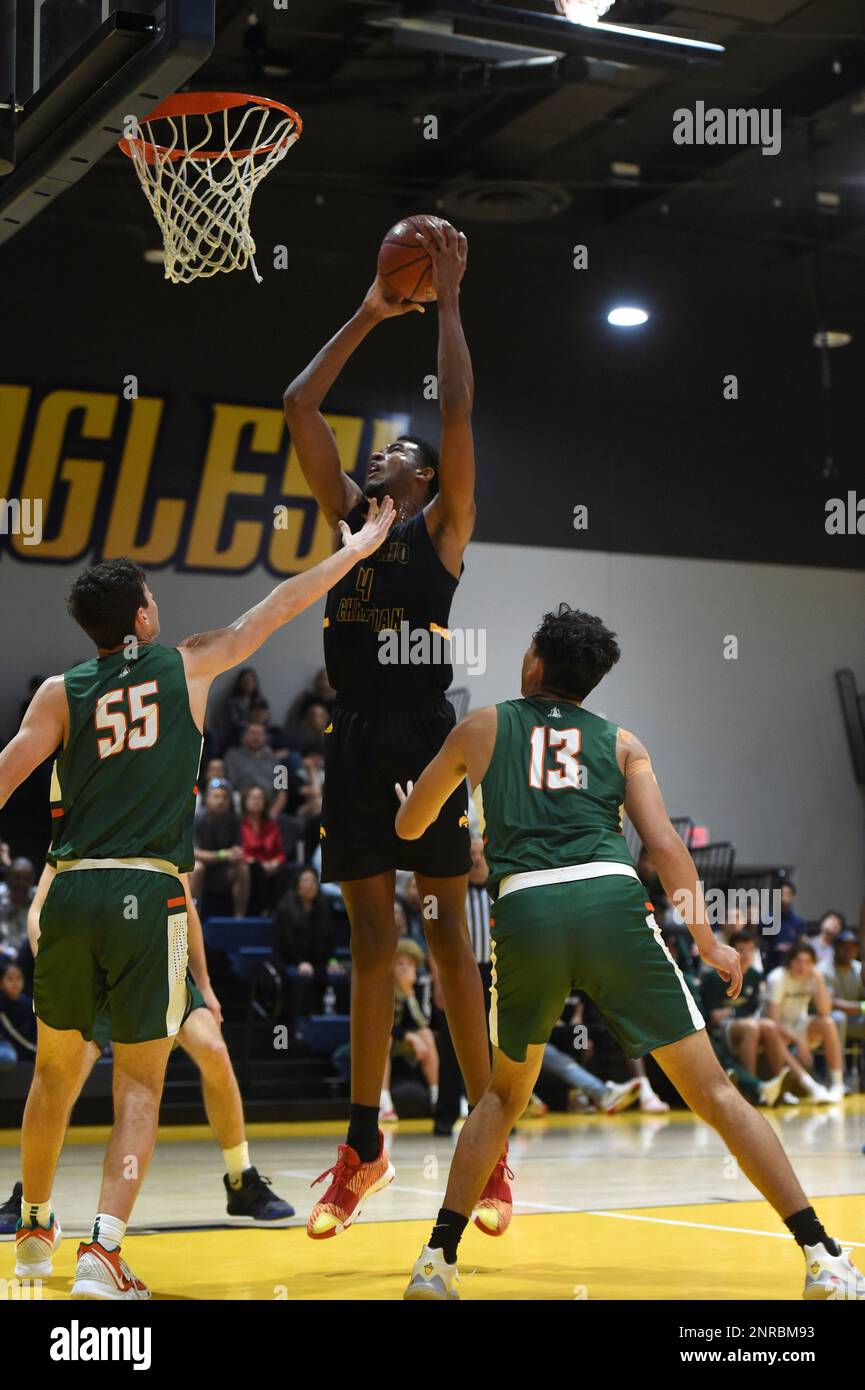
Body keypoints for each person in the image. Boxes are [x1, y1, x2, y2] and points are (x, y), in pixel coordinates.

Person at [394, 604, 863, 1301]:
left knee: (500, 1096)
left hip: (527, 909)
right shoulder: (621, 743)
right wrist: (706, 941)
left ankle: (436, 1263)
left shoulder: (481, 726)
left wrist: (416, 800)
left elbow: (409, 828)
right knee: (715, 1093)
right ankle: (821, 1255)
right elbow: (666, 848)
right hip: (612, 902)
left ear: (534, 662)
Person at [0, 499, 394, 1299]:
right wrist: (356, 551)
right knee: (139, 1083)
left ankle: (34, 1230)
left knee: (52, 1077)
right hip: (149, 890)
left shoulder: (58, 693)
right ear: (142, 616)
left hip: (68, 889)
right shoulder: (188, 664)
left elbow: (4, 777)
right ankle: (103, 1252)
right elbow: (279, 605)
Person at [284, 218, 508, 1241]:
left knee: (447, 933)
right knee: (371, 940)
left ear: (422, 479)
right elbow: (299, 403)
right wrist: (372, 311)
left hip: (423, 733)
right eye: (378, 452)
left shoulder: (442, 530)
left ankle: (486, 1143)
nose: (382, 455)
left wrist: (447, 298)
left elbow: (455, 406)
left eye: (398, 453)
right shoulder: (347, 524)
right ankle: (362, 1145)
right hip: (353, 734)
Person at [0, 863, 294, 1236]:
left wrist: (204, 984)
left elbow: (187, 909)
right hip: (95, 972)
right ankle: (31, 1194)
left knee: (215, 1052)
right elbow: (38, 913)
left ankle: (241, 1179)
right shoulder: (82, 835)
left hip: (160, 966)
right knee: (64, 1077)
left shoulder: (162, 833)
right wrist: (59, 969)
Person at [765, 940, 844, 1102]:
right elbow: (773, 1021)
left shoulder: (814, 977)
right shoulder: (777, 978)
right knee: (776, 1035)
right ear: (790, 961)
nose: (802, 967)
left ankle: (837, 1084)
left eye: (808, 962)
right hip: (773, 1028)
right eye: (798, 961)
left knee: (828, 1023)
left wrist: (820, 981)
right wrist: (798, 1040)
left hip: (798, 1025)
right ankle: (811, 1085)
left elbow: (825, 1011)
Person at [274, 866, 346, 1019]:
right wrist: (299, 962)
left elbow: (330, 940)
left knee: (341, 978)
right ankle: (299, 1023)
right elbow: (284, 944)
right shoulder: (285, 908)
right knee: (303, 978)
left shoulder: (324, 907)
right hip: (290, 961)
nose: (310, 885)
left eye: (313, 881)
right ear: (297, 885)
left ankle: (341, 1022)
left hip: (318, 962)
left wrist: (332, 961)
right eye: (306, 881)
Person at [191, 779, 251, 918]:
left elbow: (237, 848)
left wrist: (236, 853)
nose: (221, 801)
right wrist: (223, 855)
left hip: (222, 870)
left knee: (243, 868)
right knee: (198, 868)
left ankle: (239, 918)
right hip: (199, 868)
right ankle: (194, 917)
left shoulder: (233, 820)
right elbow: (193, 853)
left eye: (225, 797)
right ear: (207, 798)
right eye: (216, 796)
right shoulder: (196, 818)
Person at [240, 784, 288, 913]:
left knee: (286, 870)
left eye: (260, 798)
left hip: (270, 865)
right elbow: (238, 850)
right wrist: (257, 863)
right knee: (256, 868)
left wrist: (275, 862)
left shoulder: (271, 825)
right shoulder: (238, 824)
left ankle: (280, 912)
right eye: (252, 798)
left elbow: (280, 853)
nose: (256, 801)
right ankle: (262, 910)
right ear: (244, 801)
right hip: (251, 865)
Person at [0, 961, 37, 1068]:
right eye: (10, 978)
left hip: (27, 1047)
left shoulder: (28, 1003)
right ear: (1, 983)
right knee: (7, 1057)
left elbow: (34, 1031)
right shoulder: (2, 1004)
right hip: (6, 1046)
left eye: (19, 978)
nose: (15, 982)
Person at [0, 857, 36, 952]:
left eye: (26, 879)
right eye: (17, 878)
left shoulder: (39, 899)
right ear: (8, 878)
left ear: (32, 880)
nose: (21, 883)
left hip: (30, 956)